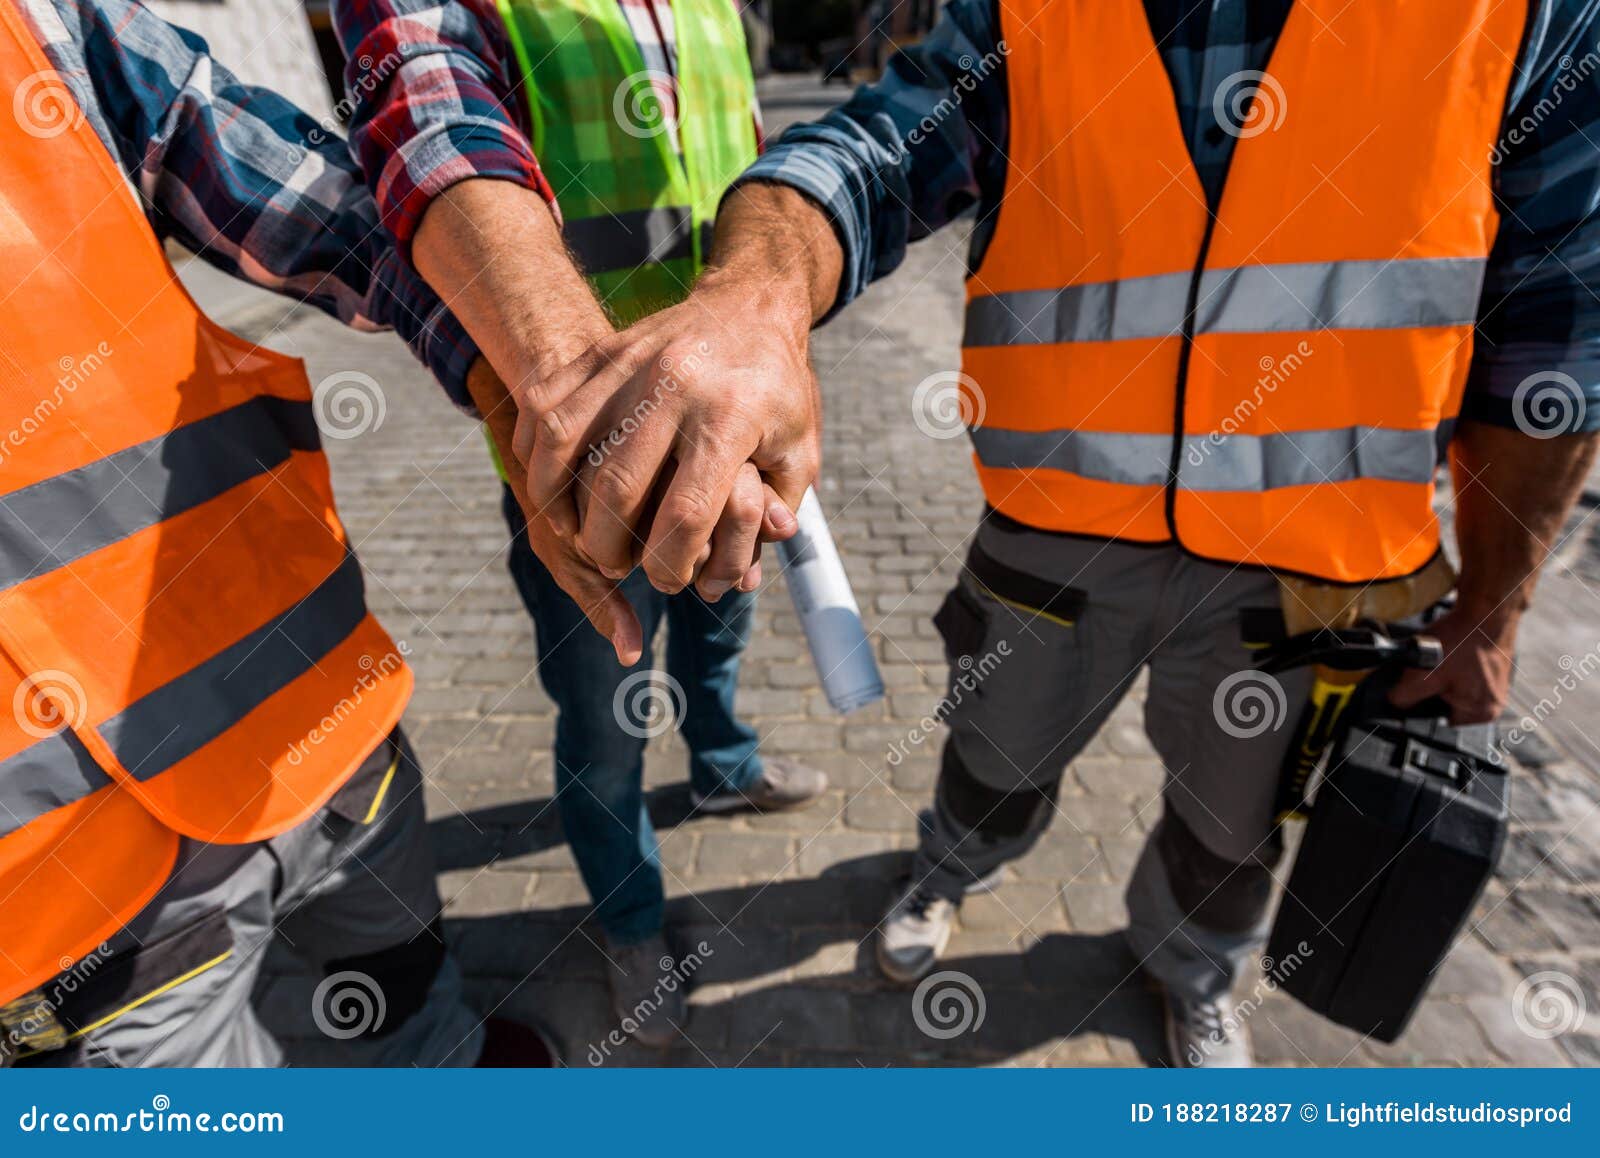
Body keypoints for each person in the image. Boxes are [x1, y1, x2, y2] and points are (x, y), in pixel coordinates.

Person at [515, 0, 1600, 1066]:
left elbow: (1557, 344)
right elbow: (883, 145)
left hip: (1310, 573)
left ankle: (1195, 970)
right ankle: (947, 874)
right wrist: (756, 295)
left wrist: (1493, 614)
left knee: (1232, 826)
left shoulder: (1522, 17)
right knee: (993, 756)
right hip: (1056, 537)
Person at [0, 0, 553, 1068]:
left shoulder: (33, 25)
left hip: (307, 713)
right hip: (67, 893)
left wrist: (527, 360)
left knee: (405, 994)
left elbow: (291, 192)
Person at [331, 0, 827, 1045]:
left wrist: (769, 336)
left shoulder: (710, 8)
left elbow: (742, 164)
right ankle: (631, 922)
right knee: (605, 724)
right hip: (585, 476)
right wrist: (577, 403)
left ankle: (724, 764)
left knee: (719, 633)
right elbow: (428, 123)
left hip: (726, 446)